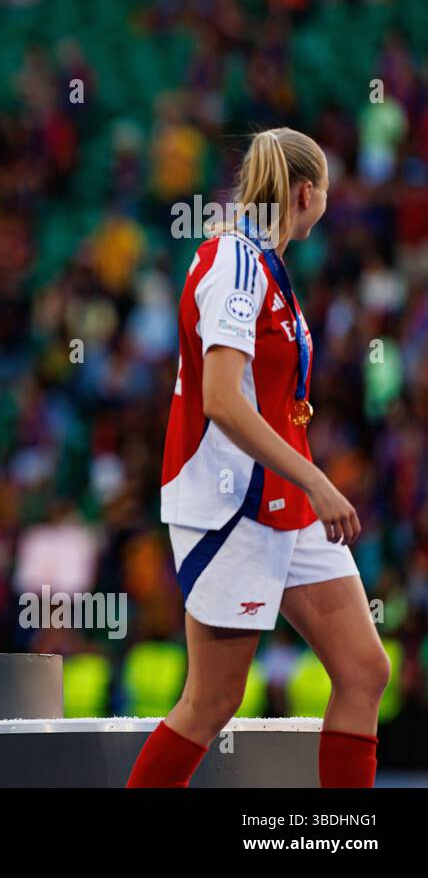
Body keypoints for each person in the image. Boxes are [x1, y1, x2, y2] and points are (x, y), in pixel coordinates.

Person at [127, 128, 390, 788]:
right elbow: (221, 399)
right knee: (213, 699)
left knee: (364, 669)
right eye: (327, 189)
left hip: (284, 499)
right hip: (231, 502)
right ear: (307, 192)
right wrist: (317, 478)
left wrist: (303, 482)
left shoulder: (265, 264)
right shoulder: (234, 262)